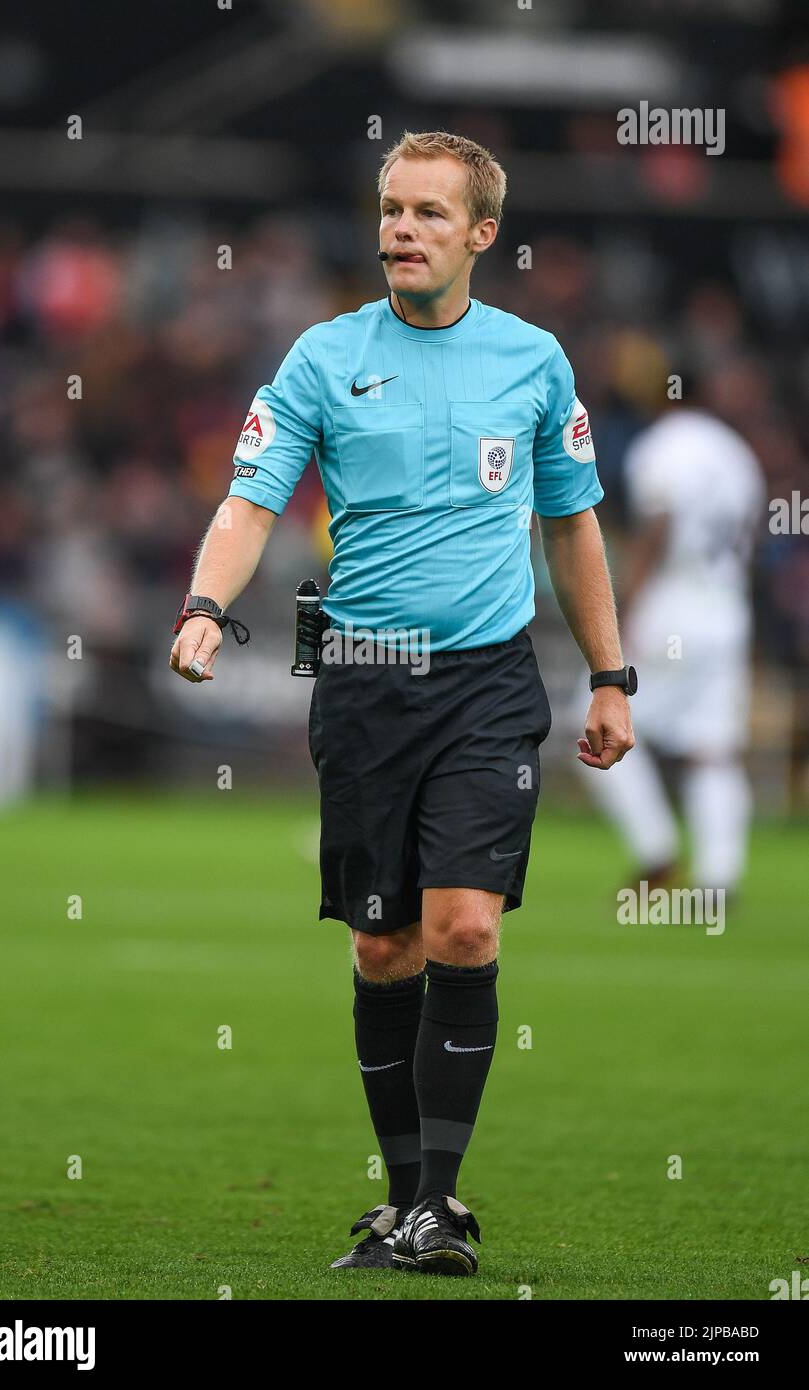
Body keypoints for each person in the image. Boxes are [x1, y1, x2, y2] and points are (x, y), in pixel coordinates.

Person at [169, 131, 635, 1277]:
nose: (400, 230)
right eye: (390, 209)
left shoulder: (533, 361)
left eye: (429, 213)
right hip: (364, 678)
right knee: (383, 946)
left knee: (462, 926)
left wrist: (614, 674)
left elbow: (570, 523)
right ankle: (396, 1201)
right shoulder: (325, 358)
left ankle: (438, 1202)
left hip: (487, 680)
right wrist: (203, 606)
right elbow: (249, 498)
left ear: (481, 234)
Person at [580, 381, 764, 896]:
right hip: (726, 608)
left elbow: (658, 528)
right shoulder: (735, 453)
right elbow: (748, 541)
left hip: (671, 606)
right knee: (715, 750)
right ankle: (719, 876)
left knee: (593, 719)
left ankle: (654, 849)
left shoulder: (662, 446)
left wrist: (626, 609)